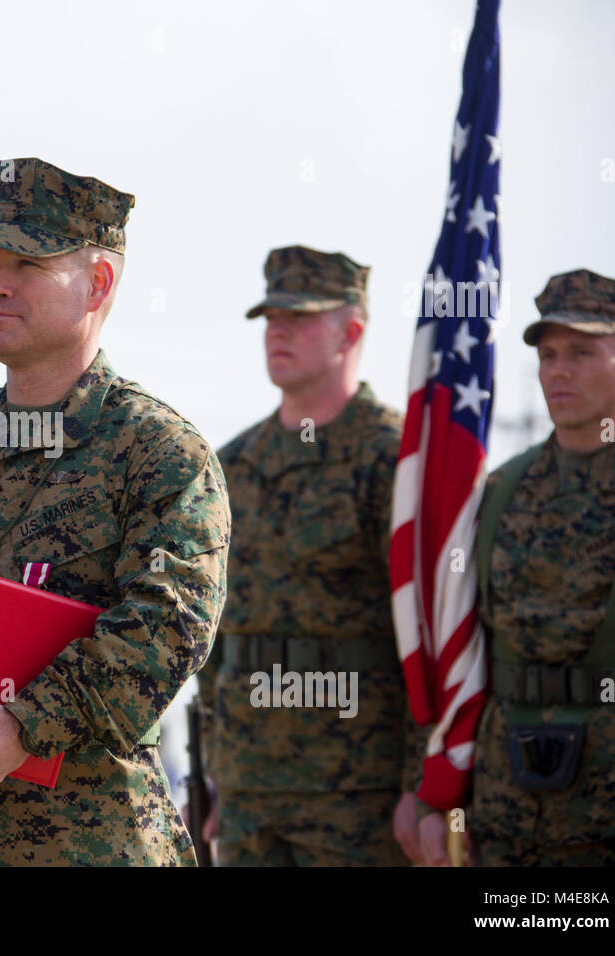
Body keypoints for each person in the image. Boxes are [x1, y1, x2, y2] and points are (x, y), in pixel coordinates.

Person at [0, 157, 230, 865]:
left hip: (93, 842)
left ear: (99, 283)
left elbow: (170, 626)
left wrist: (26, 725)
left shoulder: (158, 452)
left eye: (27, 264)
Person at [404, 269, 615, 866]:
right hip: (508, 817)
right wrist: (433, 797)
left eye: (582, 352)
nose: (557, 370)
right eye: (547, 354)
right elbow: (459, 653)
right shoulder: (499, 490)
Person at [198, 245, 411, 866]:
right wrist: (210, 768)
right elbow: (211, 634)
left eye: (299, 317)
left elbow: (430, 636)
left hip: (356, 788)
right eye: (270, 318)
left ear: (352, 331)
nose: (278, 331)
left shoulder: (395, 459)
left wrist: (424, 786)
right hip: (245, 787)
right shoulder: (231, 465)